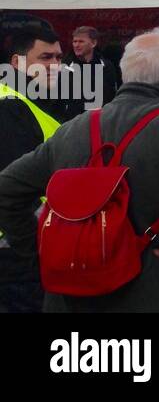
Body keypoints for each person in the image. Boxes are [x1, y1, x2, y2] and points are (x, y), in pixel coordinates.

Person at [0, 27, 159, 311]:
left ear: (126, 74)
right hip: (146, 294)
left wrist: (38, 252)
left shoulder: (74, 128)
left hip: (68, 295)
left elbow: (7, 189)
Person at [0, 19, 64, 313]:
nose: (55, 66)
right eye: (45, 58)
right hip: (17, 250)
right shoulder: (11, 106)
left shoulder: (28, 100)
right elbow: (15, 188)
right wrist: (33, 250)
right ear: (17, 62)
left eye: (59, 58)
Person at [62, 26, 122, 117]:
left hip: (100, 120)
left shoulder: (106, 67)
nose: (76, 45)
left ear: (93, 43)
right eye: (74, 41)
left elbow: (112, 95)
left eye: (81, 41)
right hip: (72, 121)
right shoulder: (65, 66)